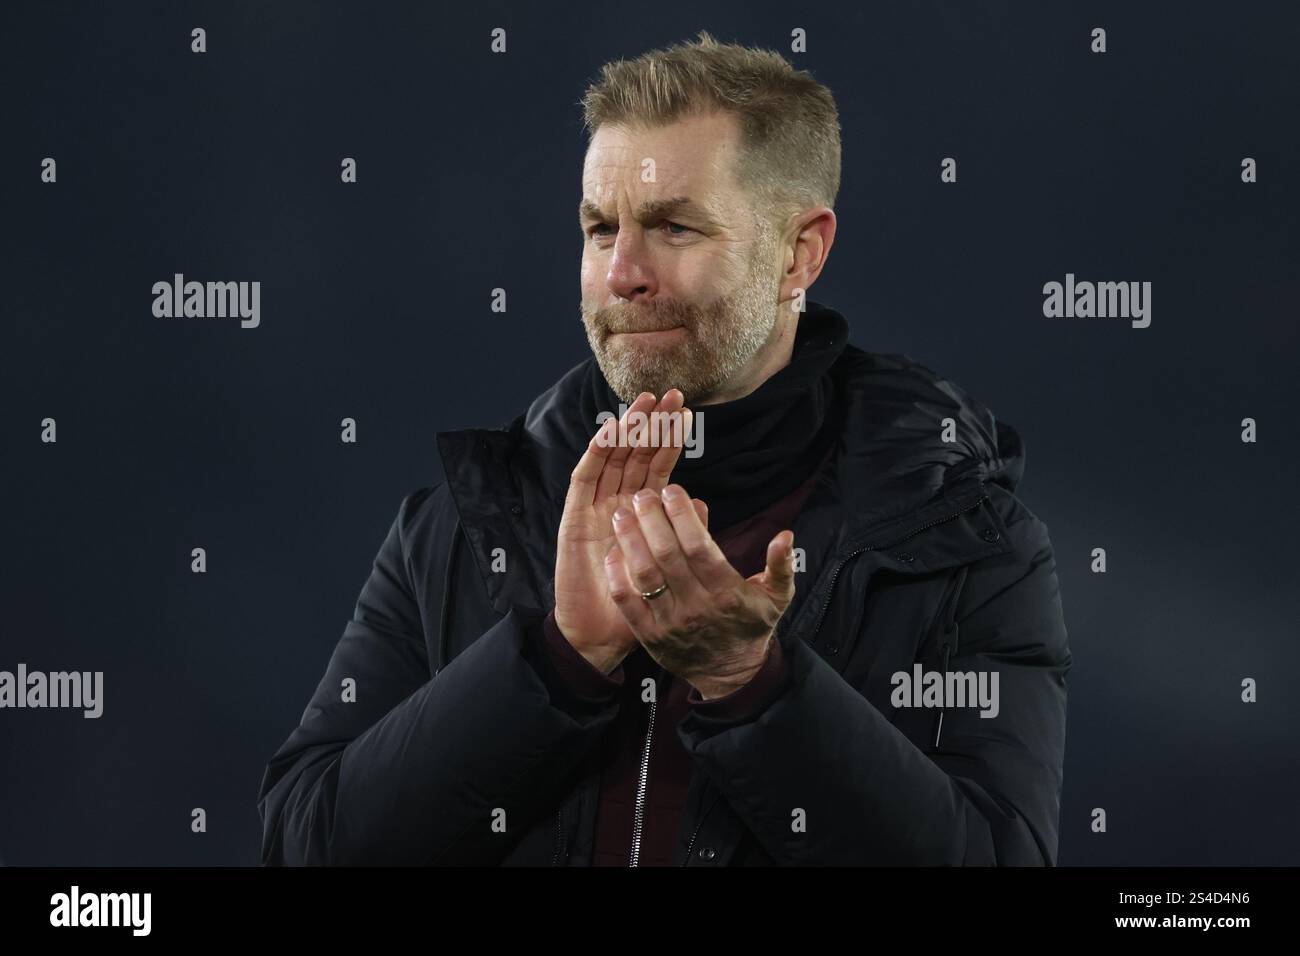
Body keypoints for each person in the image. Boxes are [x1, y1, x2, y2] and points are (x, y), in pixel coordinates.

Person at [257, 30, 1070, 866]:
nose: (622, 274)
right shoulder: (464, 523)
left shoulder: (966, 543)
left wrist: (754, 686)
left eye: (674, 227)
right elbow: (302, 845)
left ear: (801, 253)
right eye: (601, 229)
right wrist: (557, 660)